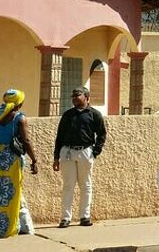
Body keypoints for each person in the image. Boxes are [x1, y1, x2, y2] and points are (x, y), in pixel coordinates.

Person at [0, 89, 38, 238]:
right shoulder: (20, 118)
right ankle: (8, 227)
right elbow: (26, 140)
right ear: (19, 103)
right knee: (12, 191)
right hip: (13, 158)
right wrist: (34, 159)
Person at [53, 86, 106, 228]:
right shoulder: (67, 115)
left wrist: (95, 152)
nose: (75, 97)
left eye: (78, 95)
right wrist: (56, 157)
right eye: (73, 95)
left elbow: (101, 134)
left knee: (86, 185)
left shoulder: (94, 114)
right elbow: (59, 137)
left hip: (85, 152)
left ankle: (84, 216)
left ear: (86, 97)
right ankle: (65, 218)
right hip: (67, 152)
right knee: (68, 186)